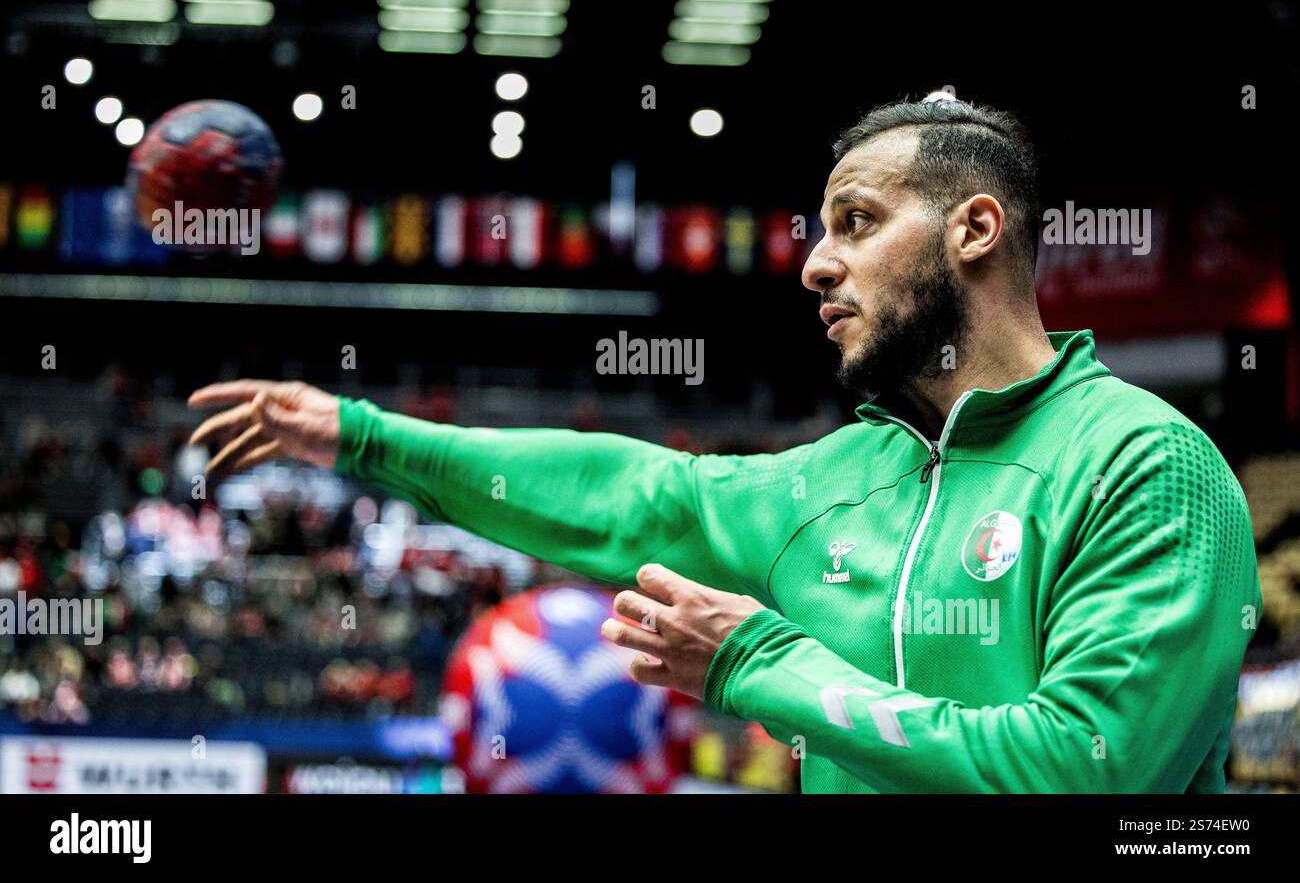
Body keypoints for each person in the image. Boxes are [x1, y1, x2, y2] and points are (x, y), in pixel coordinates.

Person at [188, 95, 1261, 793]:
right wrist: (363, 436)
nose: (814, 264)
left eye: (855, 221)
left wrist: (758, 661)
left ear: (973, 230)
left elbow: (1085, 772)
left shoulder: (1145, 465)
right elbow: (627, 488)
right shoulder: (838, 477)